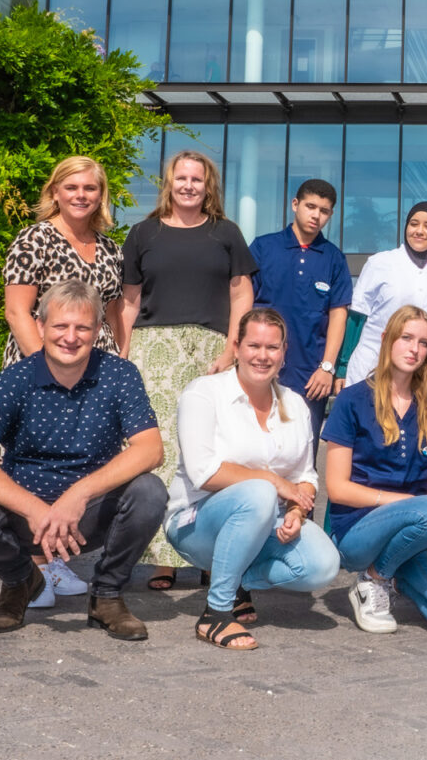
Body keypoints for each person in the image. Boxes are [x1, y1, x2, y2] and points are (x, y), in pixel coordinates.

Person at [0, 279, 166, 639]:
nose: (70, 337)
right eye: (60, 326)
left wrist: (78, 495)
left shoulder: (120, 375)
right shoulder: (14, 379)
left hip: (88, 516)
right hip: (25, 518)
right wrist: (36, 510)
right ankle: (20, 581)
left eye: (82, 327)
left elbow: (150, 449)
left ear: (97, 331)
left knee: (150, 492)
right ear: (42, 327)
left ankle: (107, 596)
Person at [119, 150, 257, 590]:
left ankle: (210, 552)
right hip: (154, 351)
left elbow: (241, 294)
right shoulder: (144, 233)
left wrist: (233, 348)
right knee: (158, 454)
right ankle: (162, 558)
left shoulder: (226, 233)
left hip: (210, 351)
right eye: (182, 178)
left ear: (208, 185)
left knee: (209, 451)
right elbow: (128, 300)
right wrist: (124, 354)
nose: (189, 186)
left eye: (197, 179)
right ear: (170, 182)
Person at [164, 308, 341, 650]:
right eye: (253, 346)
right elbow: (204, 472)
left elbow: (305, 476)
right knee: (259, 491)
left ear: (284, 352)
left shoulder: (297, 406)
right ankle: (215, 613)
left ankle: (235, 578)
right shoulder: (204, 393)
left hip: (266, 520)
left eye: (272, 348)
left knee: (322, 566)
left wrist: (295, 512)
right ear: (237, 346)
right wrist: (273, 483)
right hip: (195, 521)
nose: (262, 356)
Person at [1, 154, 126, 608]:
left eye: (89, 189)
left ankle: (55, 559)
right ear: (55, 191)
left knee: (82, 463)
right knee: (36, 461)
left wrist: (121, 361)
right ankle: (32, 567)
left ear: (100, 195)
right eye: (71, 188)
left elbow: (114, 313)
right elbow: (18, 310)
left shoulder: (110, 248)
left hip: (98, 371)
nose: (80, 196)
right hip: (41, 367)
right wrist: (48, 373)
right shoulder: (34, 239)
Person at [323, 306, 427, 639]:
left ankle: (398, 572)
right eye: (406, 338)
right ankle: (373, 579)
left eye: (423, 343)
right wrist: (409, 506)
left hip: (420, 530)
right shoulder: (352, 400)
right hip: (358, 531)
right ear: (386, 340)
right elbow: (336, 488)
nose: (414, 349)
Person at [249, 178, 352, 446]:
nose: (316, 215)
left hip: (310, 375)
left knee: (303, 450)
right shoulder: (263, 248)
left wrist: (327, 368)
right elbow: (244, 304)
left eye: (324, 210)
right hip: (261, 367)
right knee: (256, 446)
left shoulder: (334, 259)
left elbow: (338, 315)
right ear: (295, 205)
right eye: (310, 206)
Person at [343, 201, 427, 399]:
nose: (419, 231)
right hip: (372, 367)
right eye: (414, 224)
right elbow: (357, 318)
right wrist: (341, 367)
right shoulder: (380, 263)